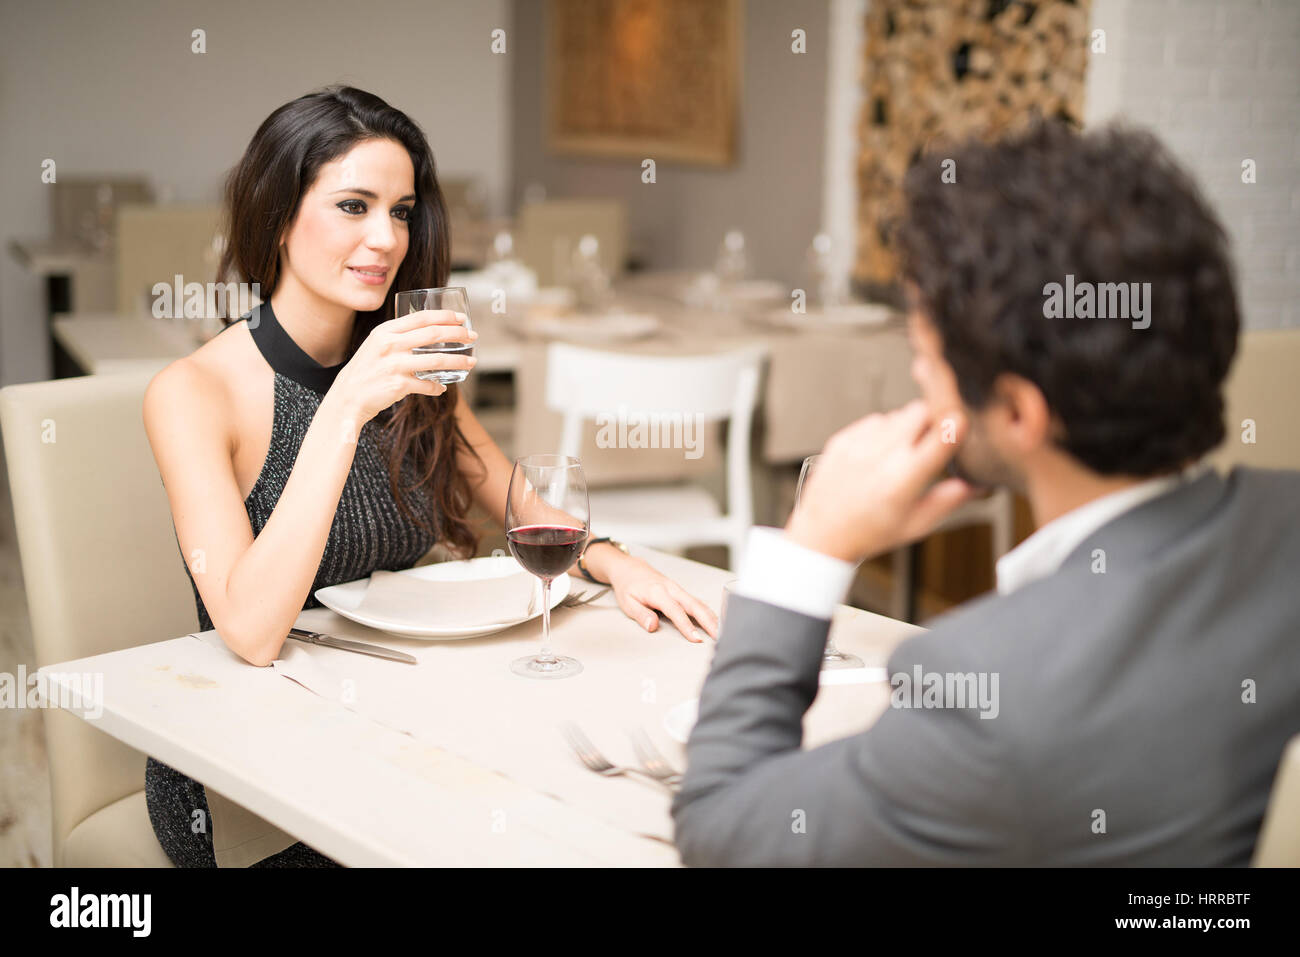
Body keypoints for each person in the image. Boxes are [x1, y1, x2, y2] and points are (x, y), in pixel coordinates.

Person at [671, 120, 1300, 866]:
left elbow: (720, 824)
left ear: (1016, 412)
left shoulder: (992, 698)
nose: (916, 381)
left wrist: (812, 546)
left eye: (922, 357)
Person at [142, 85, 718, 867]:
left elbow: (523, 506)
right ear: (278, 217)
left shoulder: (410, 367)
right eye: (353, 206)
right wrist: (343, 407)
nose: (386, 238)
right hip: (246, 758)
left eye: (402, 211)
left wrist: (615, 561)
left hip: (389, 717)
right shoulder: (192, 393)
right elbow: (250, 631)